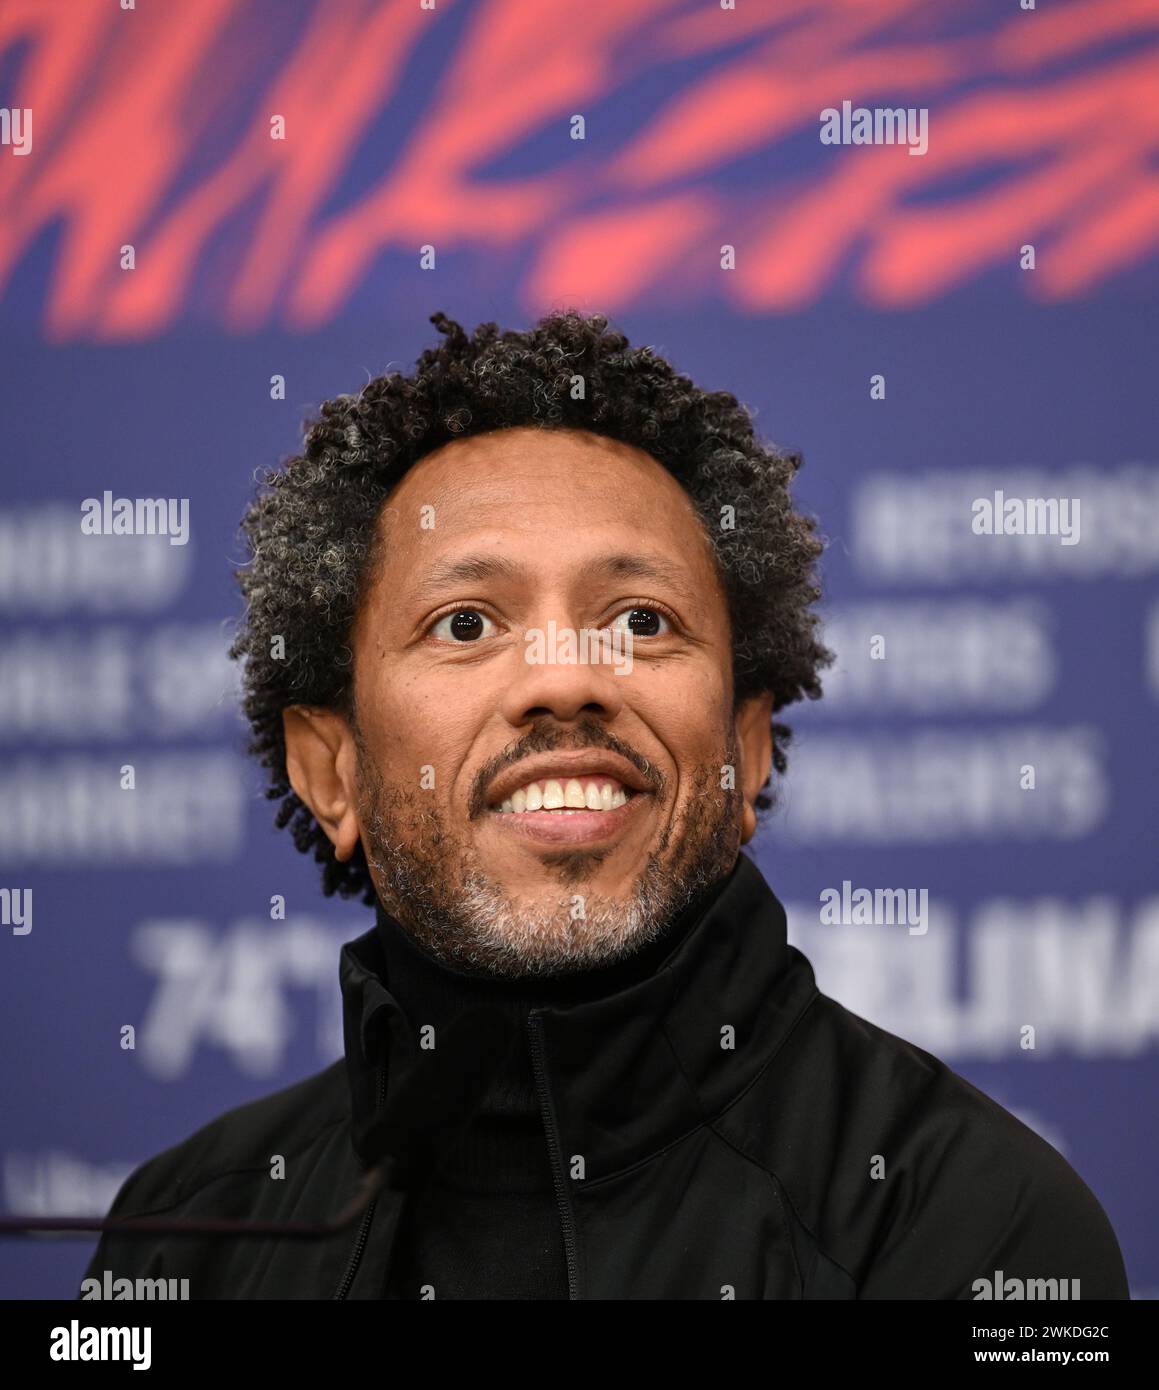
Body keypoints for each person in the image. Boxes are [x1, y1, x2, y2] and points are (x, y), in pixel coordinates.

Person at [81, 310, 1128, 1300]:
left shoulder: (976, 1223)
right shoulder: (186, 1239)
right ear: (331, 771)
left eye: (639, 617)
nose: (565, 677)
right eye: (463, 623)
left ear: (745, 748)